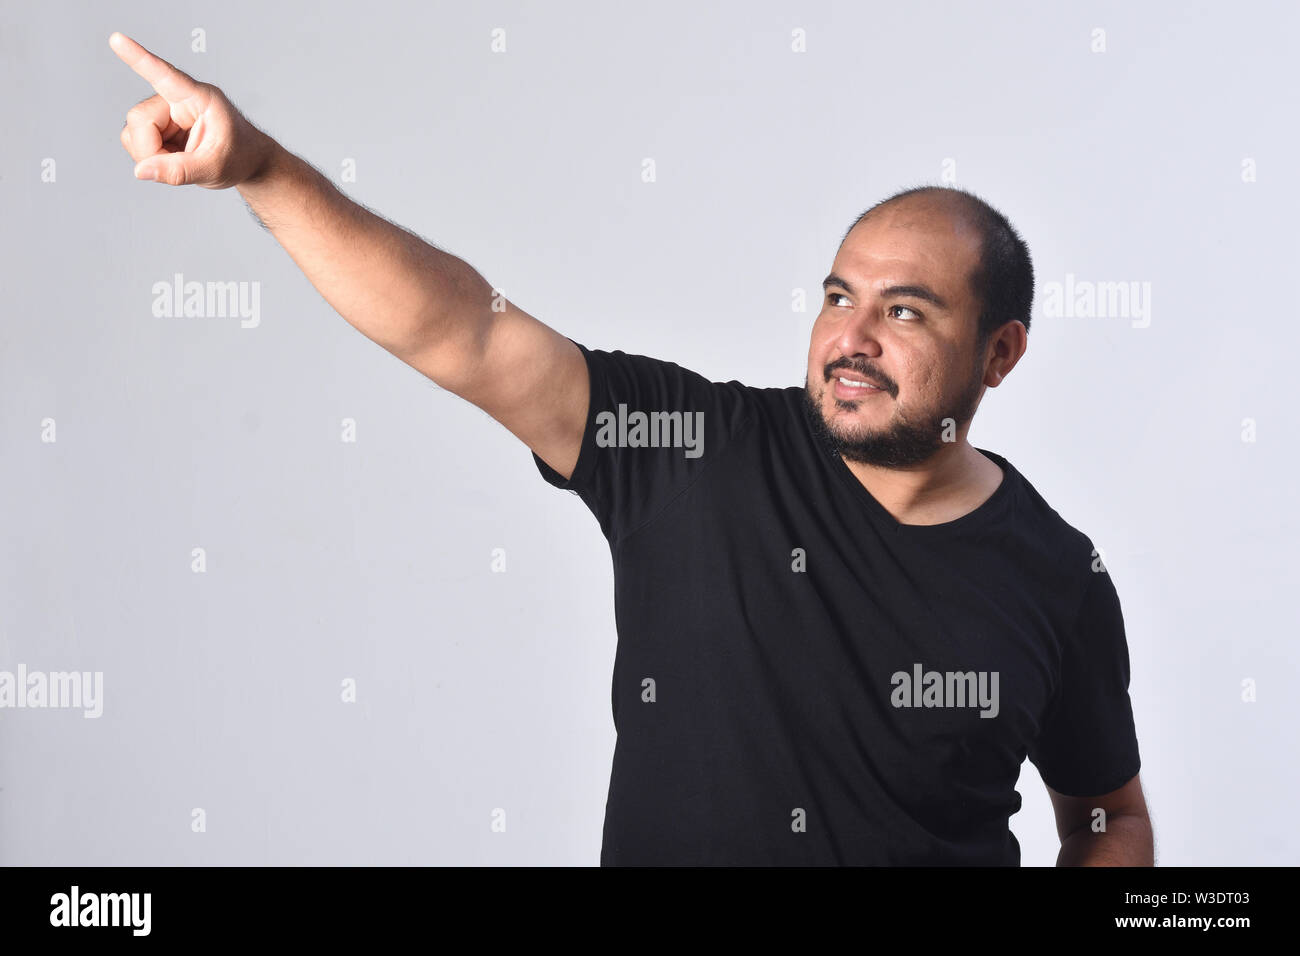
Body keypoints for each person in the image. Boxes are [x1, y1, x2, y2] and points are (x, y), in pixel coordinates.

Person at [109, 31, 1153, 866]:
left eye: (906, 312)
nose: (850, 338)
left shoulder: (1058, 576)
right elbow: (465, 330)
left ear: (1000, 351)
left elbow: (1108, 819)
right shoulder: (690, 448)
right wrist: (263, 169)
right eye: (837, 296)